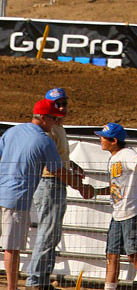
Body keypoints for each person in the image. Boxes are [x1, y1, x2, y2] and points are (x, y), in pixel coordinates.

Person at [26, 88, 94, 290]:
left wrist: (71, 165)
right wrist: (75, 180)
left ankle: (41, 279)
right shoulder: (50, 129)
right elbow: (51, 164)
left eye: (64, 103)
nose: (63, 107)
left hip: (54, 183)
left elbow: (57, 158)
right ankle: (36, 280)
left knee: (51, 234)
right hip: (50, 183)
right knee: (48, 233)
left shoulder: (57, 128)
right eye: (58, 104)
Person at [0, 100, 71, 290]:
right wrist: (80, 186)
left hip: (5, 192)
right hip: (17, 197)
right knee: (12, 248)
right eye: (54, 118)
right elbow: (59, 170)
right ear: (43, 117)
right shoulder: (44, 139)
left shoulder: (13, 132)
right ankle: (12, 288)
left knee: (11, 246)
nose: (56, 123)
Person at [94, 122, 137, 290]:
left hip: (131, 213)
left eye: (103, 137)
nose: (100, 139)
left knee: (134, 254)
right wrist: (96, 192)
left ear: (114, 140)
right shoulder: (114, 158)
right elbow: (116, 187)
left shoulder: (126, 154)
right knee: (112, 255)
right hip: (119, 213)